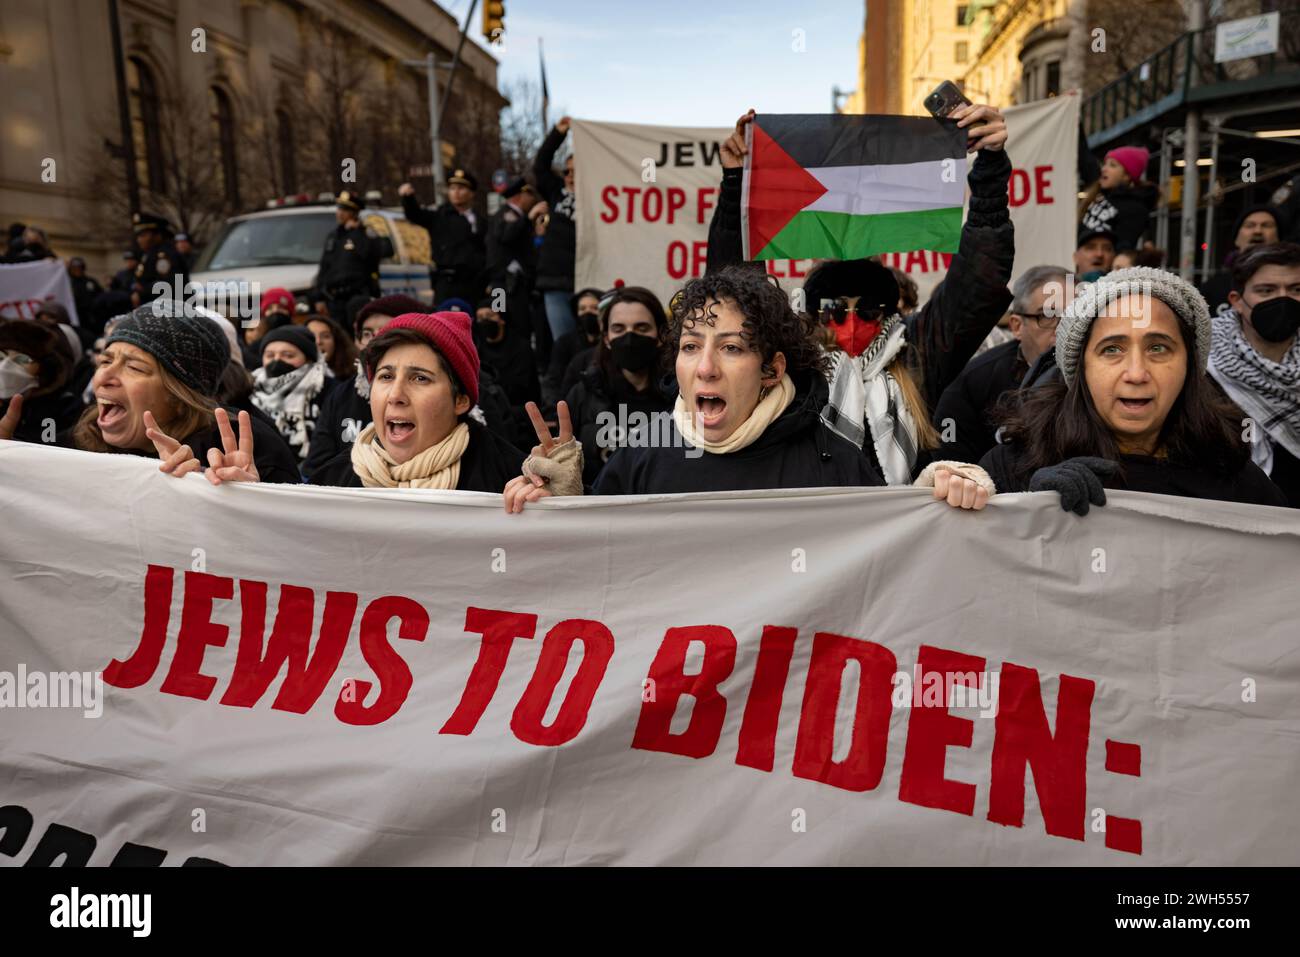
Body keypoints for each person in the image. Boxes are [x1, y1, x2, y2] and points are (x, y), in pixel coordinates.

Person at [504, 265, 993, 510]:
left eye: (732, 348)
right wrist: (567, 502)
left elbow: (886, 563)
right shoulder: (643, 455)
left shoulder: (835, 464)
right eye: (690, 346)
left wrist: (931, 502)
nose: (706, 368)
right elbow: (601, 567)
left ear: (772, 370)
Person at [707, 104, 1014, 486]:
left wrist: (989, 170)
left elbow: (977, 283)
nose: (851, 322)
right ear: (814, 313)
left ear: (888, 312)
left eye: (867, 309)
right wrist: (736, 183)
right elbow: (738, 296)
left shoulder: (917, 355)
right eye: (834, 309)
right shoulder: (794, 363)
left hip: (902, 521)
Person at [980, 267, 1287, 511]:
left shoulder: (1237, 482)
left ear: (1188, 366)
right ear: (1081, 367)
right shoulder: (1012, 467)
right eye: (1112, 350)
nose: (1137, 374)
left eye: (1158, 348)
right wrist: (1026, 509)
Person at [165, 313, 525, 492]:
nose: (396, 395)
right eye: (385, 377)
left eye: (420, 378)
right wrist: (250, 500)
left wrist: (550, 501)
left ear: (460, 400)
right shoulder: (332, 483)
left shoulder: (509, 479)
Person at [30, 300, 299, 482]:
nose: (104, 378)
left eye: (134, 367)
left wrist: (245, 499)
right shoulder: (71, 445)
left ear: (179, 397)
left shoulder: (248, 450)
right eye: (105, 361)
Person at [933, 265, 1072, 464]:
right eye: (1047, 316)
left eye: (1074, 317)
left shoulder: (1102, 376)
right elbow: (951, 467)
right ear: (1017, 326)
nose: (1062, 329)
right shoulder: (973, 384)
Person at [1208, 242, 1300, 506]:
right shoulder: (1203, 360)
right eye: (1266, 290)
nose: (1283, 299)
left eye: (1296, 289)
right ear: (1237, 301)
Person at [300, 294, 427, 477]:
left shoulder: (434, 392)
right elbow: (317, 469)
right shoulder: (340, 395)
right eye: (367, 334)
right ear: (357, 341)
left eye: (387, 330)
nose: (374, 340)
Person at [561, 286, 673, 485]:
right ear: (606, 338)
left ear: (661, 335)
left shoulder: (681, 395)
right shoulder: (583, 395)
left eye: (642, 328)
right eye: (619, 329)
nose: (629, 338)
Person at [250, 324, 336, 466]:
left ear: (308, 359)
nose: (277, 361)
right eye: (270, 355)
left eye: (288, 355)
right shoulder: (250, 386)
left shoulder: (328, 389)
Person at [399, 171, 486, 305]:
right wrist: (408, 198)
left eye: (461, 188)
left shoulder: (480, 221)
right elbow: (415, 214)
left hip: (474, 284)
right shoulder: (440, 216)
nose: (456, 192)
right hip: (446, 283)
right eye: (452, 188)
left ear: (471, 193)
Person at [0, 318, 84, 444]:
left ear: (47, 370)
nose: (4, 367)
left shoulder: (67, 411)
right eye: (1, 356)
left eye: (23, 359)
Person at [533, 117, 578, 341]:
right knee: (564, 342)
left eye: (576, 171)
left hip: (588, 279)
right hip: (555, 279)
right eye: (566, 171)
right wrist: (558, 134)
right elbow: (540, 166)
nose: (570, 176)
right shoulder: (555, 191)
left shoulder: (601, 196)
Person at [313, 191, 385, 326]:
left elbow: (372, 257)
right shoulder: (333, 236)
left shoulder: (366, 234)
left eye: (345, 210)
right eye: (339, 209)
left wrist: (357, 232)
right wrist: (319, 298)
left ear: (355, 213)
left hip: (357, 297)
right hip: (334, 300)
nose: (340, 213)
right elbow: (324, 268)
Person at [1198, 205, 1280, 317]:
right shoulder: (1212, 288)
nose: (1258, 231)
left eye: (1266, 225)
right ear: (1236, 239)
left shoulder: (1292, 285)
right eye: (1250, 225)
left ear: (1279, 237)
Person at [1079, 146, 1158, 252]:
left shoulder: (1135, 209)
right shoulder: (1102, 194)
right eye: (1105, 164)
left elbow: (1123, 248)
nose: (1104, 169)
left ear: (1127, 176)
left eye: (1112, 165)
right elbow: (1085, 160)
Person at [543, 287, 604, 406]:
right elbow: (553, 380)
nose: (588, 312)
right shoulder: (565, 342)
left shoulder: (609, 343)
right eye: (582, 309)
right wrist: (557, 407)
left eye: (594, 308)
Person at [130, 212, 184, 307]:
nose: (139, 240)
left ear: (157, 235)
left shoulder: (164, 255)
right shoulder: (149, 254)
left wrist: (142, 292)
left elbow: (169, 286)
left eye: (143, 235)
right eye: (138, 236)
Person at [242, 287, 296, 366]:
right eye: (270, 308)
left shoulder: (301, 338)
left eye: (281, 307)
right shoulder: (254, 348)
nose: (275, 311)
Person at [307, 313, 358, 382]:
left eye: (325, 336)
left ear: (336, 342)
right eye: (311, 336)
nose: (318, 341)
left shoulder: (353, 379)